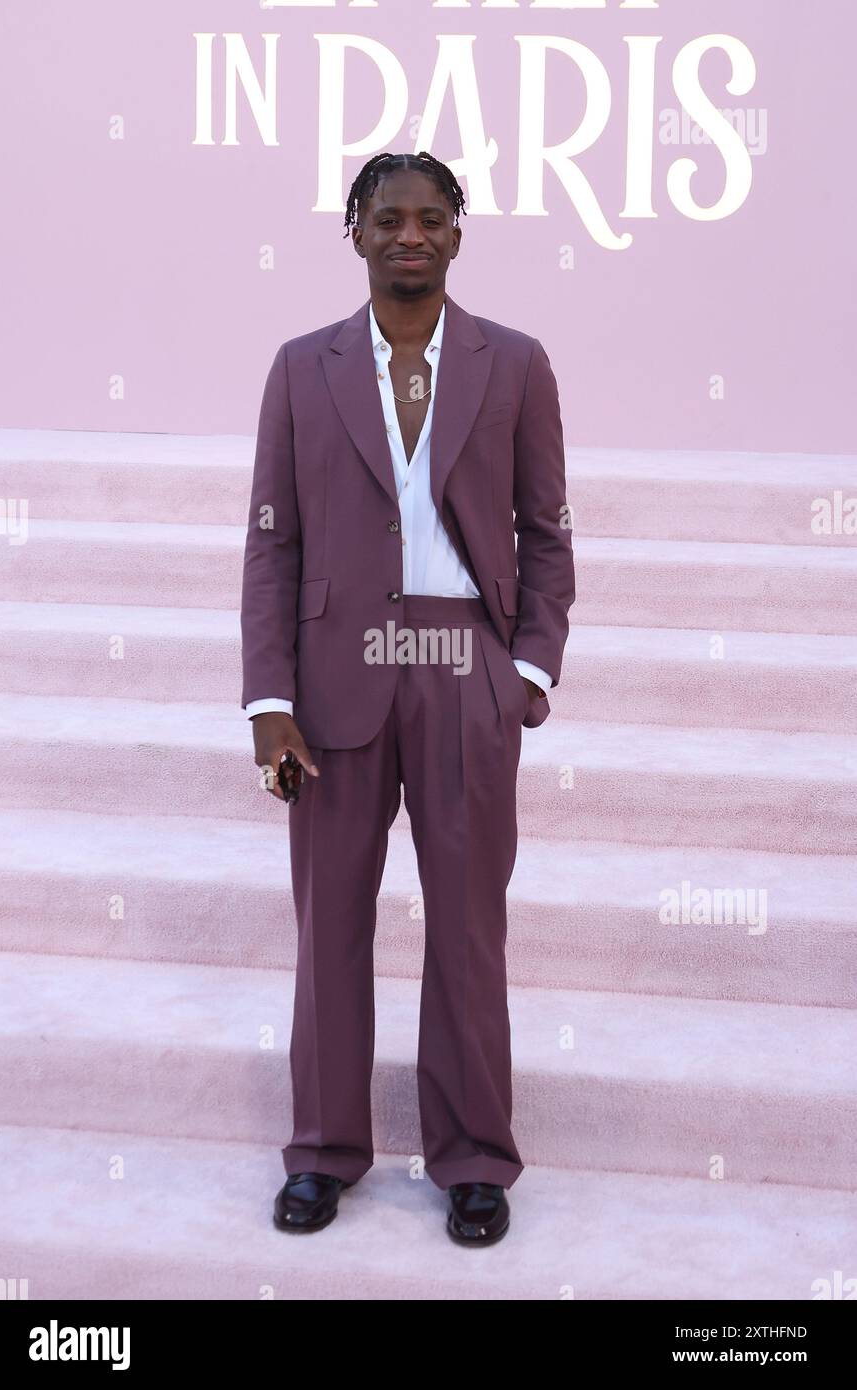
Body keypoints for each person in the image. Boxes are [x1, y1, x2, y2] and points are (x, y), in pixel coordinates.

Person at [240, 151, 575, 1245]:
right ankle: (324, 1151)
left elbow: (546, 531)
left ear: (457, 234)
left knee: (468, 930)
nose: (410, 235)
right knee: (326, 923)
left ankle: (473, 1157)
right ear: (354, 232)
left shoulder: (515, 364)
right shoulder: (300, 367)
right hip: (333, 682)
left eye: (431, 218)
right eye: (388, 218)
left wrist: (521, 672)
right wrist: (267, 701)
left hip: (462, 671)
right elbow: (271, 545)